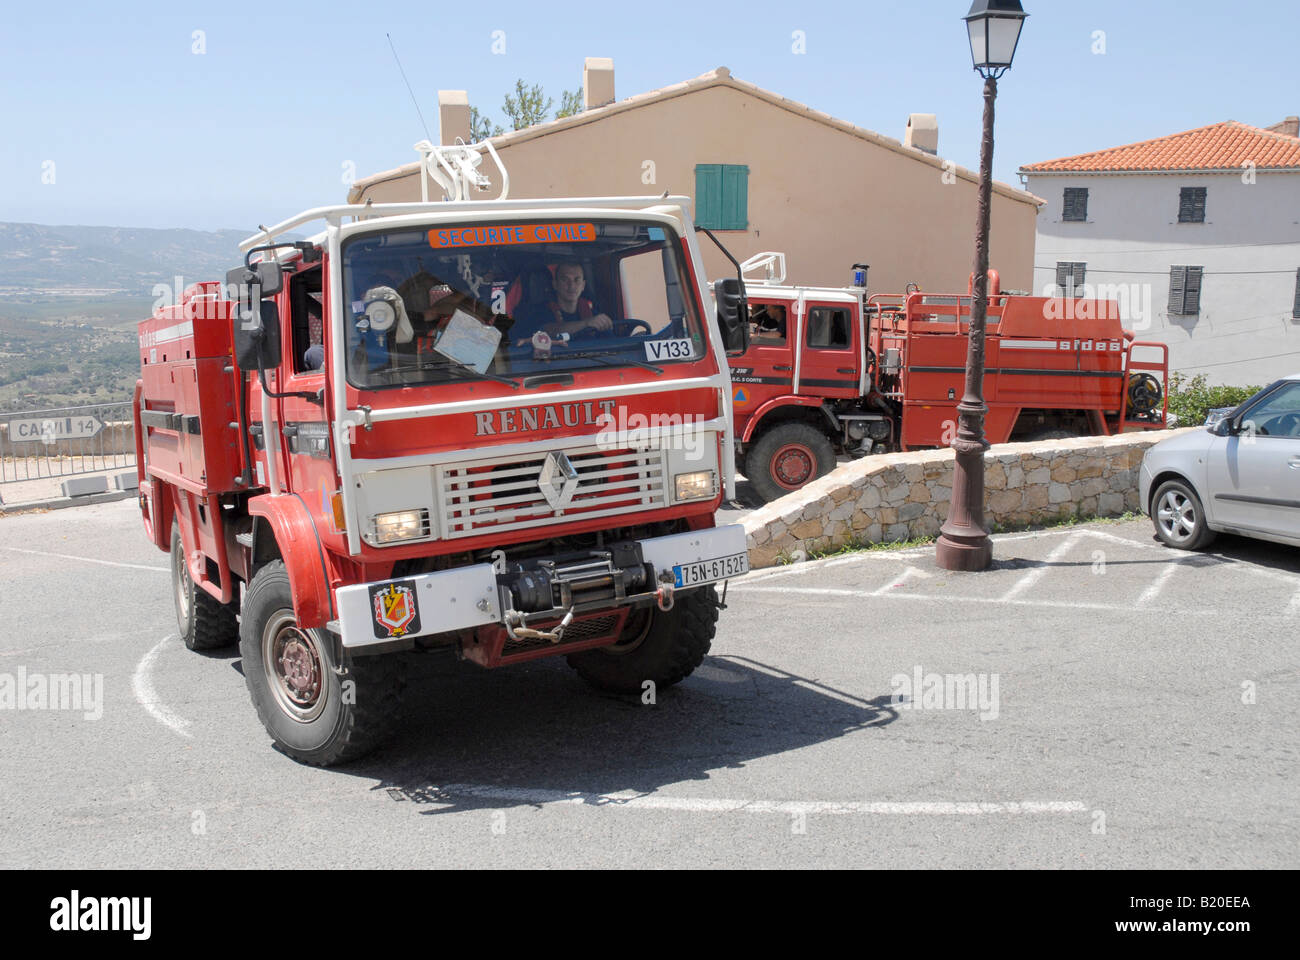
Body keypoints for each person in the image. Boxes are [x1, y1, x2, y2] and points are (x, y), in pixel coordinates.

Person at [516, 261, 613, 342]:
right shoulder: (539, 313)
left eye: (576, 280)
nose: (571, 286)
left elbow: (611, 344)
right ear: (555, 284)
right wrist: (586, 324)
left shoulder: (593, 314)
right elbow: (547, 331)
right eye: (565, 280)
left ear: (583, 285)